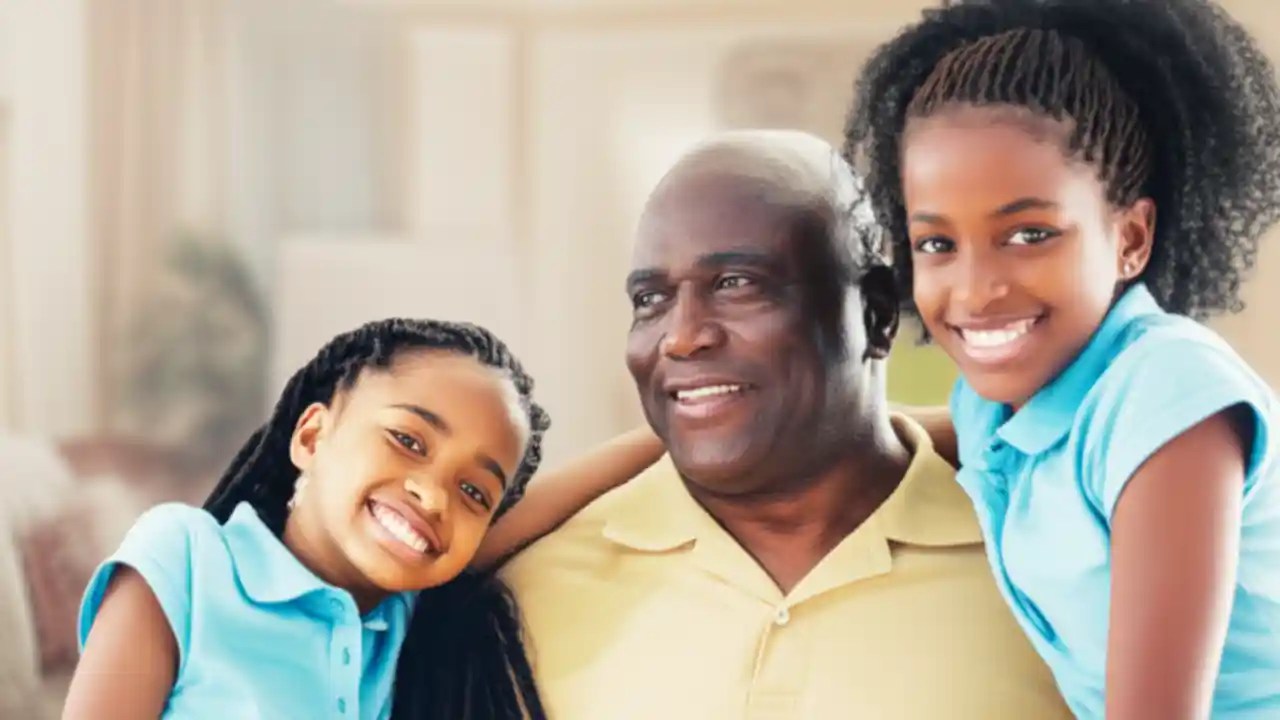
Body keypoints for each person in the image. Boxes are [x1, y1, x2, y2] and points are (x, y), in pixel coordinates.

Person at [499, 130, 1071, 719]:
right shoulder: (526, 590)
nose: (682, 334)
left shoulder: (1054, 570)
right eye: (651, 298)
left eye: (736, 284)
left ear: (874, 315)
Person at [843, 0, 1280, 717]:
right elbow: (880, 439)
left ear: (1131, 238)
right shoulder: (995, 406)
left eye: (1029, 234)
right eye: (936, 244)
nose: (976, 290)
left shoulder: (1167, 394)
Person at [64, 318, 662, 720]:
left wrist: (675, 428)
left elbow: (531, 517)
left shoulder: (409, 619)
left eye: (474, 493)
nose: (434, 498)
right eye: (408, 439)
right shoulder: (186, 559)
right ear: (312, 434)